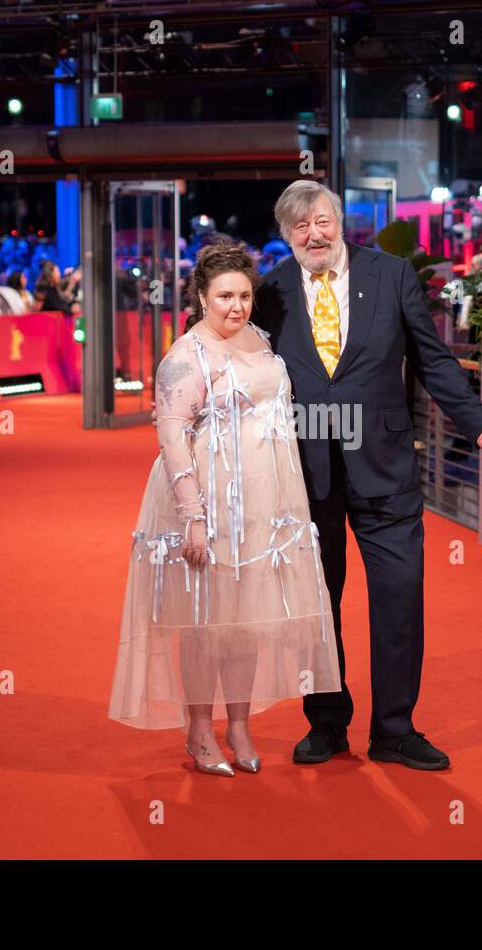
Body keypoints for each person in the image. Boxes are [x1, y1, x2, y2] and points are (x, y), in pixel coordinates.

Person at [251, 180, 482, 771]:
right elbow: (243, 369)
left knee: (400, 599)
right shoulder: (270, 290)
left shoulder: (393, 273)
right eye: (299, 227)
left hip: (385, 467)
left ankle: (395, 729)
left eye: (321, 220)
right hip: (305, 475)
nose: (314, 234)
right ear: (287, 235)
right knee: (316, 605)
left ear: (339, 221)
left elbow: (432, 359)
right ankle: (326, 723)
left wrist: (478, 423)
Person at [109, 242, 343, 776]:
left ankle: (238, 724)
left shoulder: (261, 339)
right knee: (204, 622)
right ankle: (198, 729)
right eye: (224, 297)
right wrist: (195, 517)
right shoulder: (186, 356)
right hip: (208, 505)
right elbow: (172, 441)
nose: (236, 306)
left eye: (244, 295)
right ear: (200, 296)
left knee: (247, 620)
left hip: (268, 503)